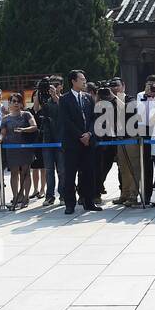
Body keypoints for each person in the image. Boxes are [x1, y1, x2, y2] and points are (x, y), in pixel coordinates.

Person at [59, 69, 99, 214]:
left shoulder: (88, 98)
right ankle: (70, 204)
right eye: (81, 79)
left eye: (84, 79)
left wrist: (89, 134)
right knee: (70, 175)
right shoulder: (64, 99)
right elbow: (66, 121)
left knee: (88, 173)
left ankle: (89, 202)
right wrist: (80, 136)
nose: (84, 81)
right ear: (73, 81)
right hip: (72, 144)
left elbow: (94, 118)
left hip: (88, 143)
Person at [0, 93, 38, 210]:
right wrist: (0, 139)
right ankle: (16, 197)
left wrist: (24, 130)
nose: (16, 103)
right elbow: (3, 132)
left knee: (25, 173)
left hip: (25, 147)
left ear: (21, 103)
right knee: (14, 173)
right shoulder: (5, 118)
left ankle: (26, 197)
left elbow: (34, 126)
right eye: (14, 101)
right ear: (9, 103)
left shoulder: (26, 114)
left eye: (18, 101)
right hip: (11, 148)